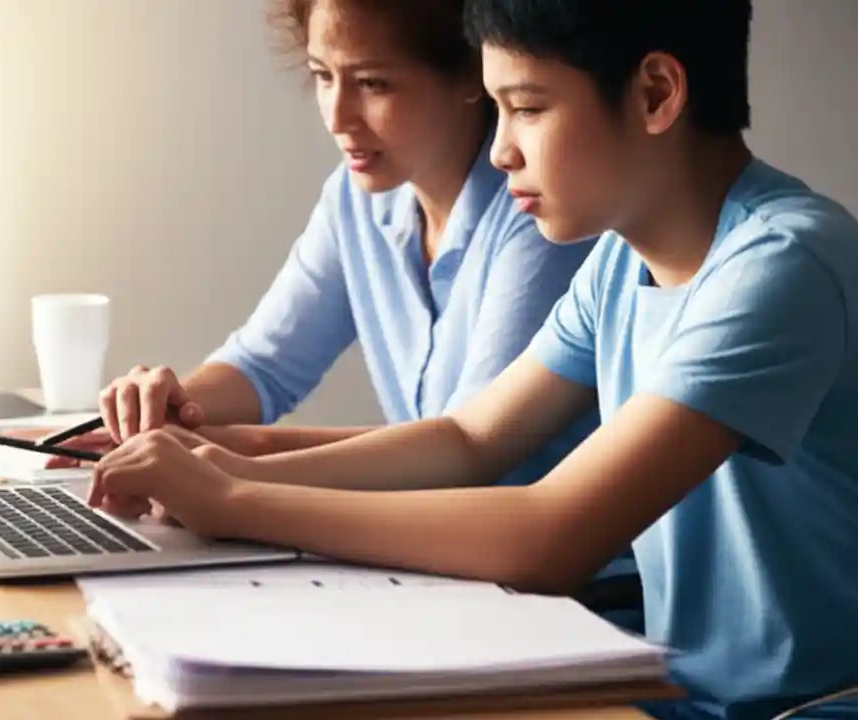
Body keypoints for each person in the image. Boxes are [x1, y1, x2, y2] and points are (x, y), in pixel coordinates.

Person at [87, 1, 858, 718]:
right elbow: (469, 439)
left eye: (528, 108)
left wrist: (233, 499)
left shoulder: (780, 263)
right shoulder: (621, 261)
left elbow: (552, 537)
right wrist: (226, 458)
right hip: (672, 691)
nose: (500, 149)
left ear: (656, 93)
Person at [86, 0, 593, 477]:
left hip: (516, 539)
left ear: (470, 72)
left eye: (373, 84)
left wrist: (230, 455)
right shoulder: (357, 199)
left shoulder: (542, 217)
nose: (336, 117)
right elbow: (264, 367)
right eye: (322, 76)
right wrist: (163, 411)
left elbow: (466, 446)